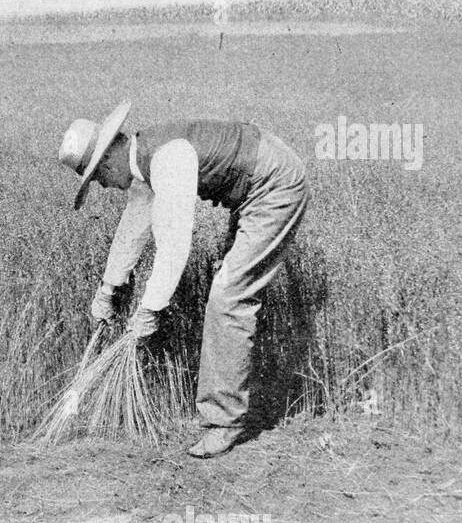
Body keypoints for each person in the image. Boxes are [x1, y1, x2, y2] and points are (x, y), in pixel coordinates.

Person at [57, 100, 310, 458]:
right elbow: (133, 229)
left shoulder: (166, 158)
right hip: (255, 183)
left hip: (275, 185)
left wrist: (149, 310)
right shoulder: (143, 159)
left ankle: (224, 423)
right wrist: (107, 289)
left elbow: (174, 247)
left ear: (110, 158)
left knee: (229, 297)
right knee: (229, 287)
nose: (105, 187)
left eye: (98, 177)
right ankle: (226, 408)